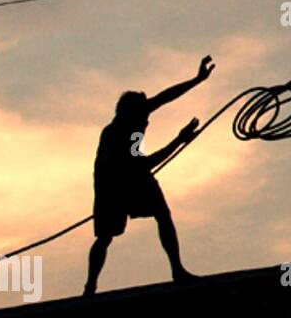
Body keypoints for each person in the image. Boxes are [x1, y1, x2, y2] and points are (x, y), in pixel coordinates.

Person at [83, 55, 215, 296]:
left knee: (163, 214)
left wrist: (197, 80)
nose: (147, 117)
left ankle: (177, 269)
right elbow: (144, 165)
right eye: (143, 112)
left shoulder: (135, 114)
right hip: (112, 182)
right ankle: (90, 286)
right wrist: (179, 139)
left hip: (135, 173)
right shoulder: (115, 135)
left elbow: (165, 97)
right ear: (129, 112)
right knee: (105, 236)